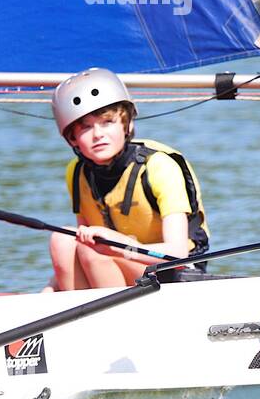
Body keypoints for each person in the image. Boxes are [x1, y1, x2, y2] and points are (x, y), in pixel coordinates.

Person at [47, 68, 209, 290]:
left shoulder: (159, 167)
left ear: (127, 124)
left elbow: (178, 253)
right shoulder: (76, 172)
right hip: (111, 265)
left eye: (107, 122)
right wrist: (49, 290)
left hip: (175, 272)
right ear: (72, 138)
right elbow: (82, 249)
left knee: (92, 248)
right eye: (85, 127)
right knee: (63, 240)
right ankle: (73, 304)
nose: (98, 134)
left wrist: (121, 246)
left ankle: (112, 309)